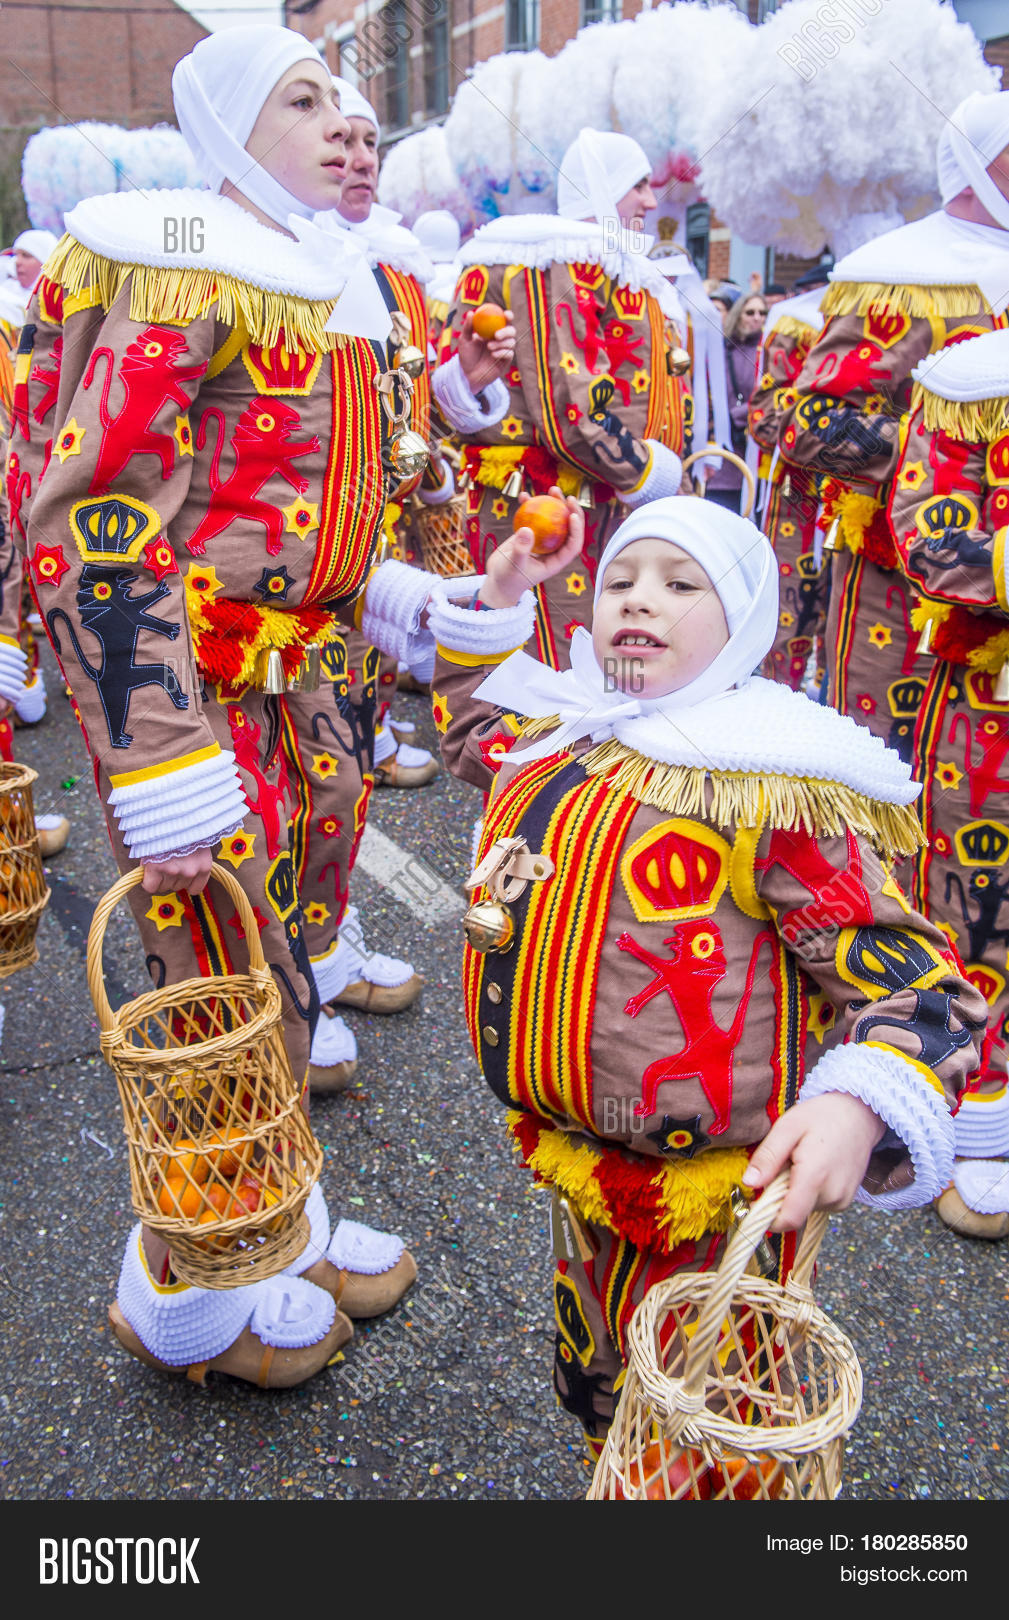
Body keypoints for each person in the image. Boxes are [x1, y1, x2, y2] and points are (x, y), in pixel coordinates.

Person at [13, 25, 506, 1387]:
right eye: (305, 103)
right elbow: (96, 519)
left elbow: (307, 523)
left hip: (310, 692)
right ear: (228, 128)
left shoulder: (319, 282)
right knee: (213, 991)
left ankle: (270, 1225)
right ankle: (185, 1282)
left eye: (354, 111)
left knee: (282, 963)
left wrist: (412, 601)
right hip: (201, 703)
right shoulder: (182, 263)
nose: (349, 129)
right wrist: (161, 755)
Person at [428, 492, 985, 1454]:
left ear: (747, 629)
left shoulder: (766, 787)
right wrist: (498, 598)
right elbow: (472, 724)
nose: (639, 600)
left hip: (719, 1204)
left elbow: (925, 991)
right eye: (618, 581)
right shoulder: (571, 734)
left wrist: (858, 1103)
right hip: (581, 1169)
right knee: (598, 1375)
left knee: (708, 1405)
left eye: (681, 584)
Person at [776, 89, 1009, 770]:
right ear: (981, 161)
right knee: (892, 772)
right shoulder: (899, 271)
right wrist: (940, 451)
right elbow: (808, 425)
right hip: (898, 586)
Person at [436, 127, 688, 672]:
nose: (650, 200)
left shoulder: (608, 264)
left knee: (595, 652)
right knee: (551, 663)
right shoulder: (555, 259)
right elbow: (572, 410)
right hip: (551, 505)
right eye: (637, 184)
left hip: (600, 503)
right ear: (603, 186)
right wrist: (650, 473)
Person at [887, 328, 1009, 1238]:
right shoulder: (970, 372)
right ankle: (973, 1102)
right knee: (978, 900)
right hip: (989, 695)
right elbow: (930, 540)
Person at [748, 264, 831, 691]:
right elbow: (764, 420)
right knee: (790, 606)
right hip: (801, 497)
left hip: (872, 501)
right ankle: (778, 700)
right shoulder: (797, 326)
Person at [704, 290, 766, 511]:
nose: (757, 317)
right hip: (723, 449)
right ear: (738, 315)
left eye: (762, 312)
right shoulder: (720, 349)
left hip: (756, 446)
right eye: (750, 312)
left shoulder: (768, 353)